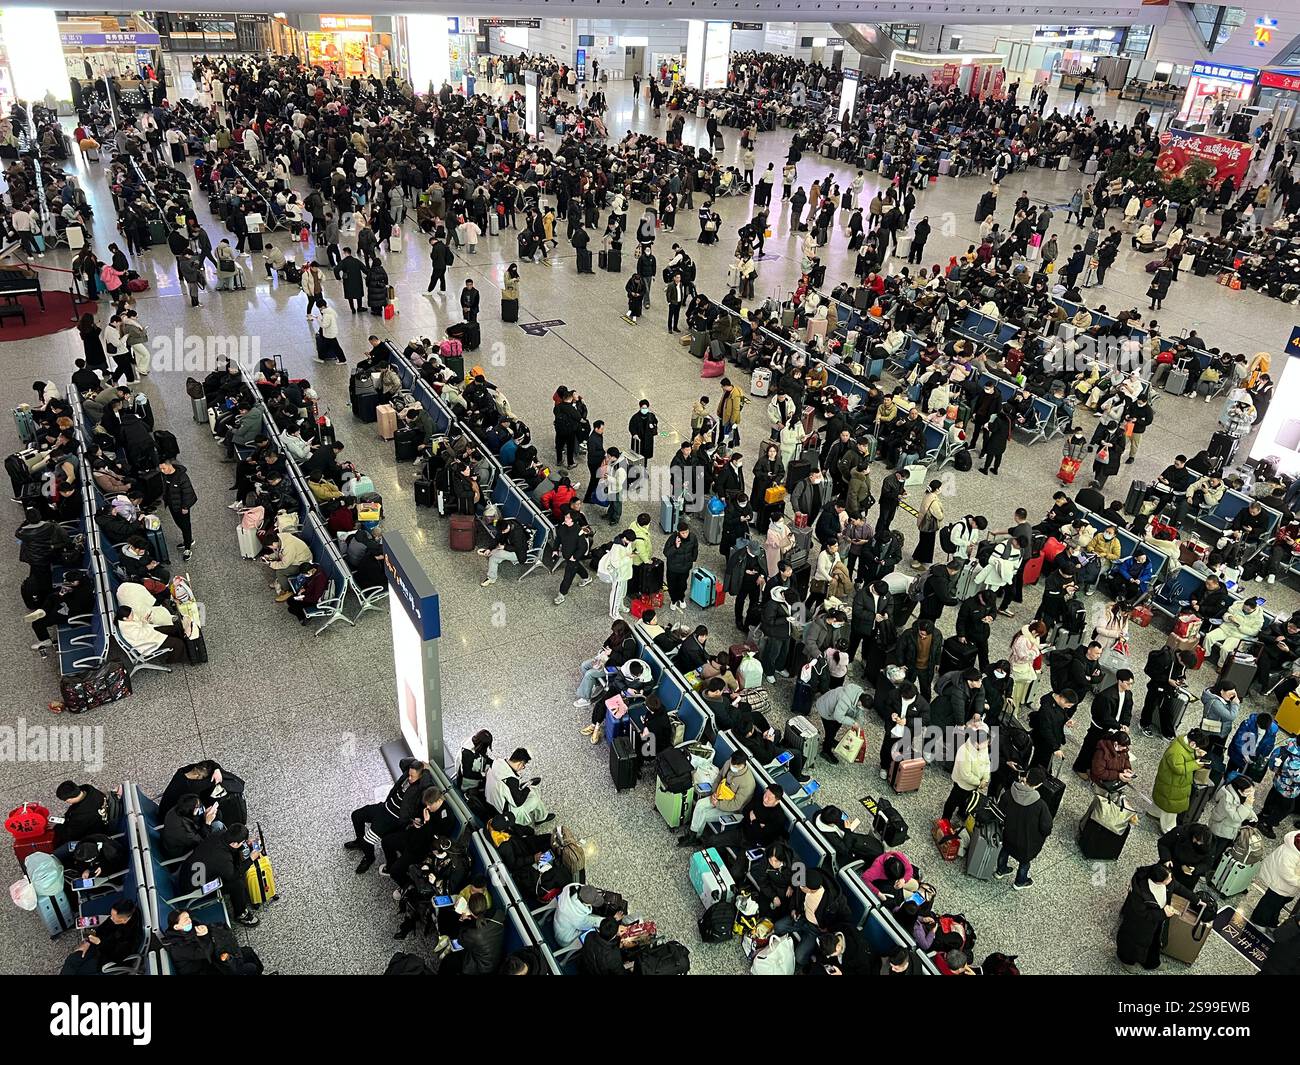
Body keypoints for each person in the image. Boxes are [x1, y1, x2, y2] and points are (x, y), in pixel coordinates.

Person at [1116, 863, 1189, 970]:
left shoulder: (1164, 881)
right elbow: (1143, 914)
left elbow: (1177, 886)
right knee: (1133, 944)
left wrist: (1196, 900)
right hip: (1139, 924)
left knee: (1153, 942)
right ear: (1159, 881)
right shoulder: (1139, 893)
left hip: (1155, 922)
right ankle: (1127, 961)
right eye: (1168, 878)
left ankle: (1151, 963)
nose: (1171, 879)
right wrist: (1163, 914)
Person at [995, 765, 1053, 890]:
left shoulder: (1010, 793)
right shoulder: (1040, 805)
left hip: (1008, 834)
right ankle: (1020, 882)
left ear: (1025, 777)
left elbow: (1000, 810)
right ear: (1038, 785)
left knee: (1005, 851)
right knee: (1024, 862)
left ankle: (1000, 870)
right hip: (1027, 842)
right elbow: (1047, 827)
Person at [60, 896, 144, 975]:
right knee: (71, 959)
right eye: (111, 915)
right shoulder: (120, 915)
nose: (111, 918)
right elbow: (100, 928)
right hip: (97, 946)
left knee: (79, 972)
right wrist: (87, 942)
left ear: (124, 920)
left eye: (114, 918)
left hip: (106, 958)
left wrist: (100, 942)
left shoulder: (131, 935)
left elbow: (118, 955)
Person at [1152, 732, 1206, 833]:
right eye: (1197, 748)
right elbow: (1179, 768)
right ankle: (1168, 830)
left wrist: (1196, 754)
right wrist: (1195, 764)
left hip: (1172, 782)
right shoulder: (1177, 751)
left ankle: (1154, 814)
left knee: (1163, 803)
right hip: (1172, 784)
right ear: (1193, 744)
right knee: (1170, 809)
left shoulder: (1182, 743)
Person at [485, 748, 552, 827]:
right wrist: (528, 787)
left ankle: (542, 815)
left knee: (529, 791)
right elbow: (518, 803)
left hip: (491, 800)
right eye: (523, 765)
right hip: (505, 811)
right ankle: (541, 817)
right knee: (534, 797)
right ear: (520, 763)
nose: (522, 768)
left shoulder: (497, 763)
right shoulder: (511, 780)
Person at [1252, 831, 1300, 928]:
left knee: (1278, 905)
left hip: (1288, 887)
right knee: (1270, 903)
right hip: (1279, 884)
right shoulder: (1289, 854)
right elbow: (1287, 874)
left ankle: (1271, 921)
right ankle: (1259, 921)